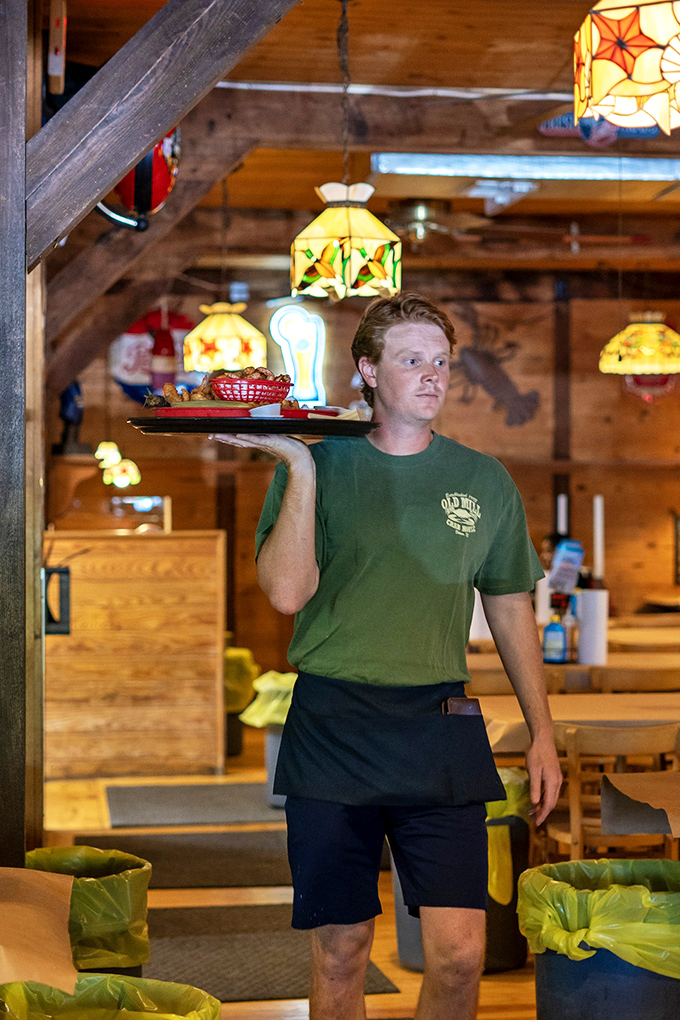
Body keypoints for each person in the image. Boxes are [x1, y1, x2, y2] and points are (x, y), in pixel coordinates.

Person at [211, 292, 562, 1020]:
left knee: (464, 954)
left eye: (440, 362)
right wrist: (301, 471)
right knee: (341, 950)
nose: (432, 376)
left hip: (441, 728)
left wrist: (544, 733)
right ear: (367, 370)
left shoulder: (482, 479)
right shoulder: (317, 464)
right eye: (411, 361)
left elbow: (507, 605)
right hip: (334, 725)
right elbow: (285, 593)